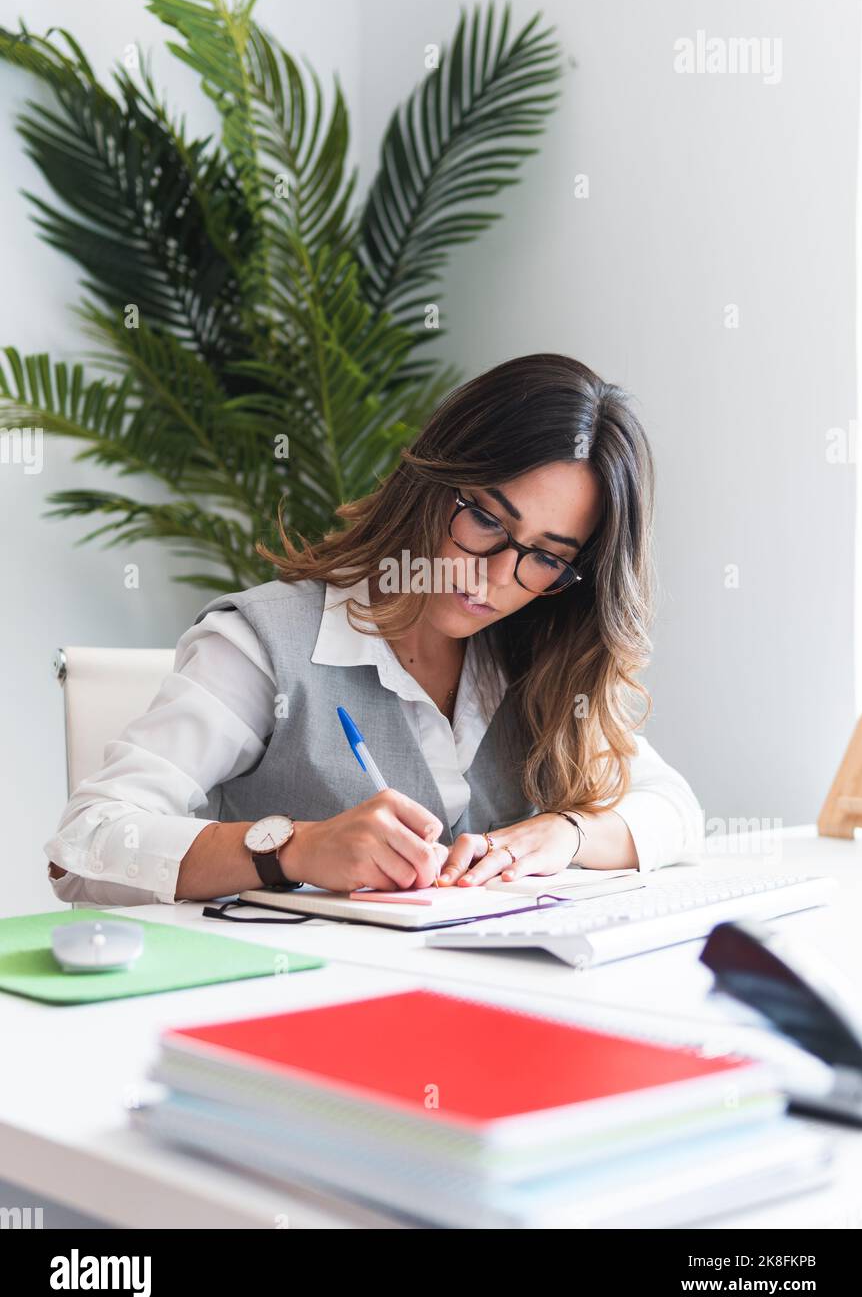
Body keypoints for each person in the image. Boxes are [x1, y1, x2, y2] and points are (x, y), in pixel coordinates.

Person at [46, 352, 704, 906]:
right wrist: (297, 849)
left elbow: (676, 810)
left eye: (546, 556)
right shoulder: (261, 645)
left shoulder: (538, 655)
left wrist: (568, 833)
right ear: (430, 481)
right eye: (488, 522)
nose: (498, 575)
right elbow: (84, 846)